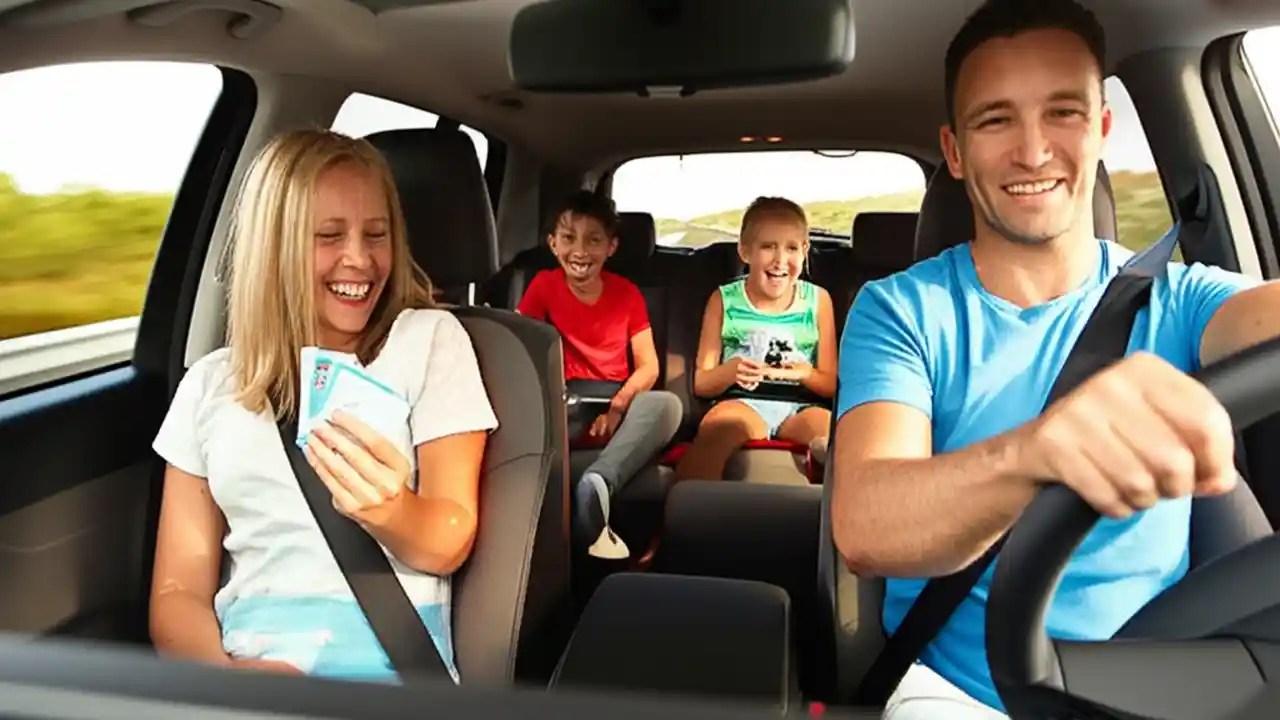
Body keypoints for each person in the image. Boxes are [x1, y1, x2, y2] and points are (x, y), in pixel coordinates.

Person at [829, 1, 1280, 718]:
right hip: (962, 690)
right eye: (996, 119)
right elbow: (866, 527)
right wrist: (1038, 453)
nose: (1033, 151)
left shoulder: (1185, 298)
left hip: (1166, 675)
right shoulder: (900, 309)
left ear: (1101, 128)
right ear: (954, 150)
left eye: (1063, 112)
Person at [148, 129, 498, 684]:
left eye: (376, 234)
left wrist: (393, 511)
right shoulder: (209, 385)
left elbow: (449, 536)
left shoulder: (430, 341)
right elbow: (176, 590)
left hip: (388, 681)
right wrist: (225, 676)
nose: (358, 259)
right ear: (275, 248)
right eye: (329, 235)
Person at [517, 190, 682, 559]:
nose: (580, 251)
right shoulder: (543, 286)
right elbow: (526, 351)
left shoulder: (627, 295)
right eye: (568, 238)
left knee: (667, 404)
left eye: (594, 240)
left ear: (611, 247)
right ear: (552, 244)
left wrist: (619, 408)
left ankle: (598, 482)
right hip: (566, 401)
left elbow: (649, 366)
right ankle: (590, 495)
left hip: (619, 402)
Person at [674, 197, 838, 481]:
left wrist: (805, 373)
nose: (779, 260)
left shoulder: (818, 301)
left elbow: (830, 383)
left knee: (837, 437)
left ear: (805, 251)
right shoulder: (724, 300)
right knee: (717, 433)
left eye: (791, 248)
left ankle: (835, 483)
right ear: (745, 252)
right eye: (767, 247)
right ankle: (688, 511)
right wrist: (730, 371)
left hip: (801, 407)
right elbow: (701, 383)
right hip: (743, 402)